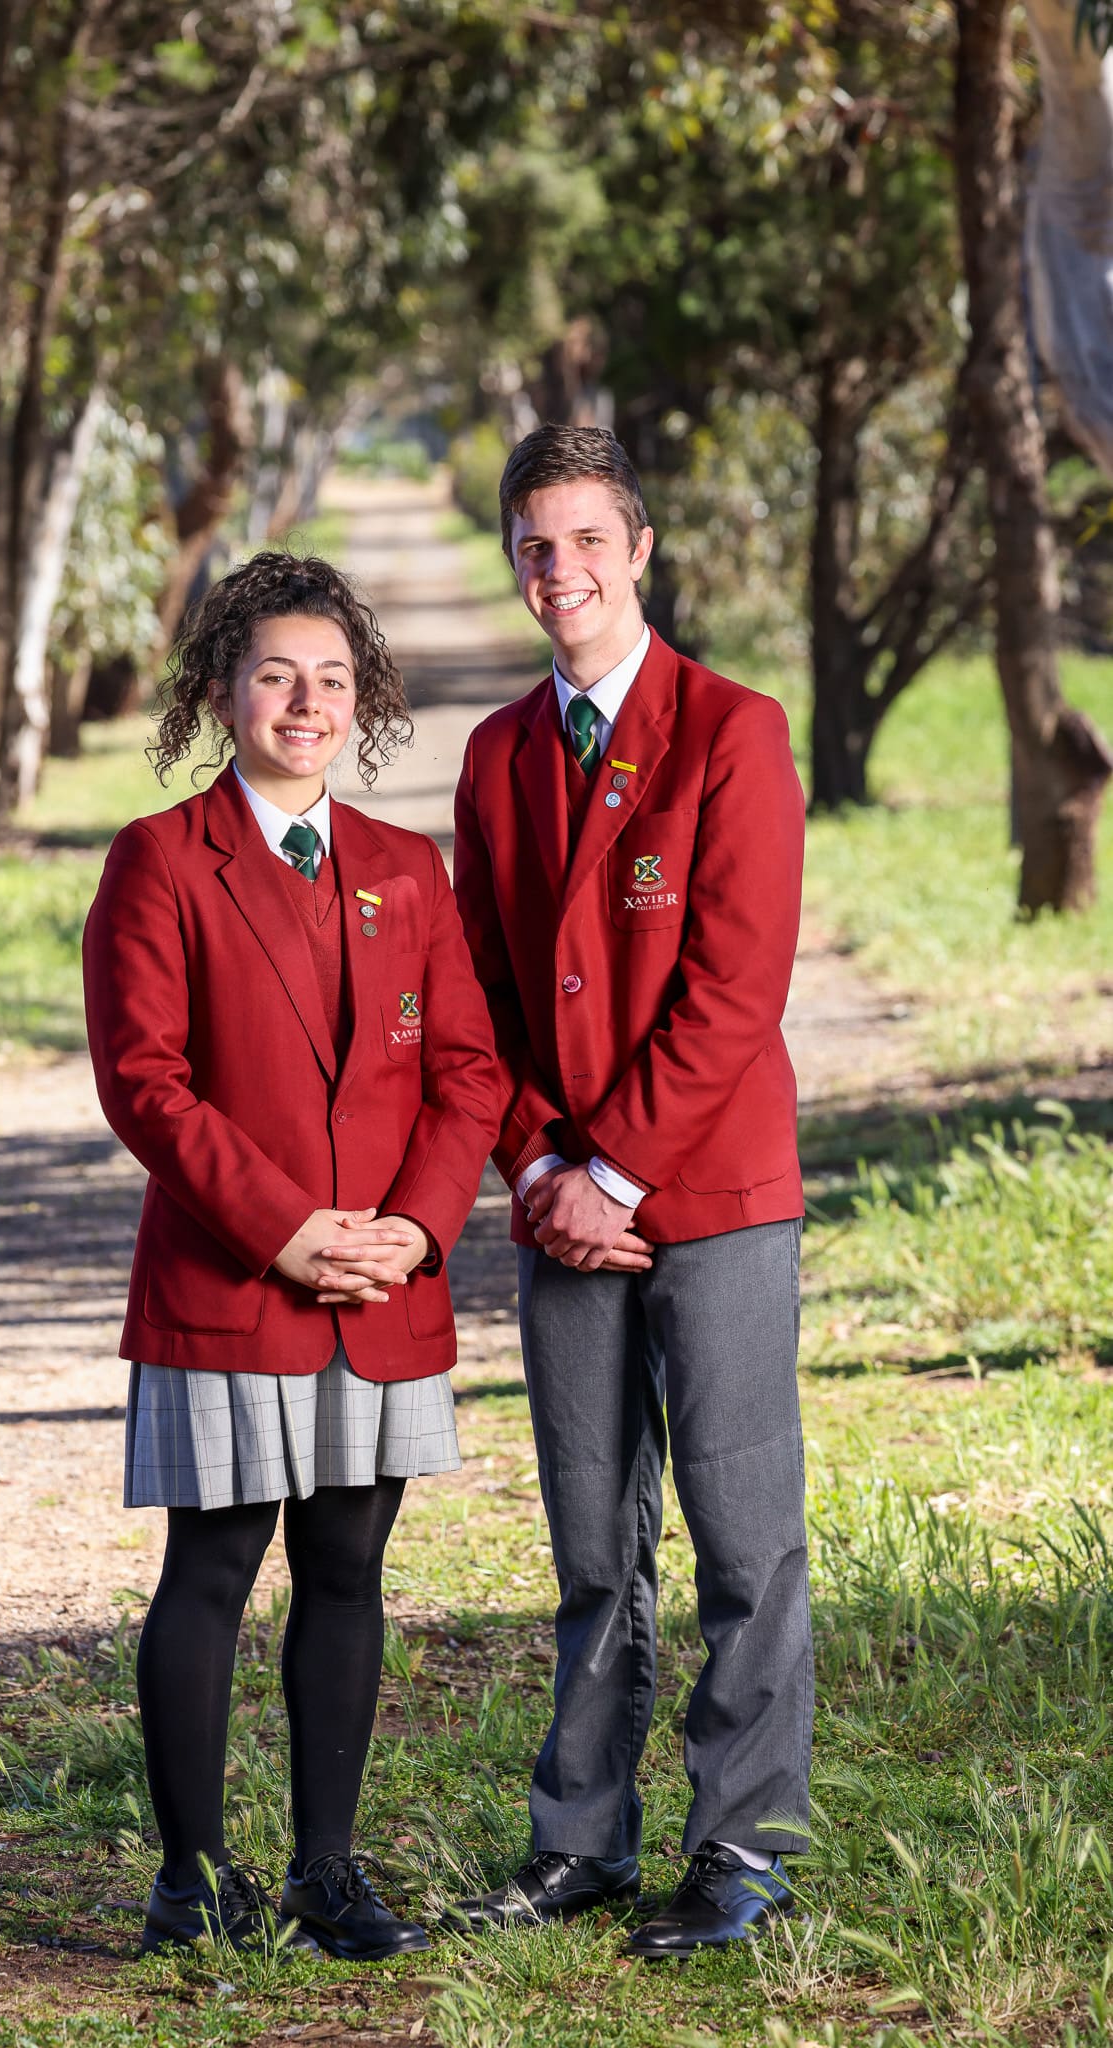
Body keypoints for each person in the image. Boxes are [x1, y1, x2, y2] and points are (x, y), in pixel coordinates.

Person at [82, 552, 500, 1962]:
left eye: (331, 679)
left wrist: (415, 1227)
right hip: (230, 1279)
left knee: (347, 1568)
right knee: (210, 1571)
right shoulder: (158, 859)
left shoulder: (405, 866)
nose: (303, 703)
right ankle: (190, 1878)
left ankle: (326, 1872)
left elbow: (466, 1073)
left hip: (379, 1286)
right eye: (274, 676)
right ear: (220, 694)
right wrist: (285, 1229)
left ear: (362, 700)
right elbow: (144, 1082)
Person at [450, 425, 812, 1957]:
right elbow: (478, 995)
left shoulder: (732, 732)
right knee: (593, 1545)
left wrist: (613, 1166)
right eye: (535, 546)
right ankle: (579, 1842)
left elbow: (735, 987)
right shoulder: (492, 757)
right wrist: (536, 1162)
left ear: (638, 550)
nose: (561, 573)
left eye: (587, 541)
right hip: (559, 1213)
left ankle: (740, 1850)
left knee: (742, 1539)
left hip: (712, 1195)